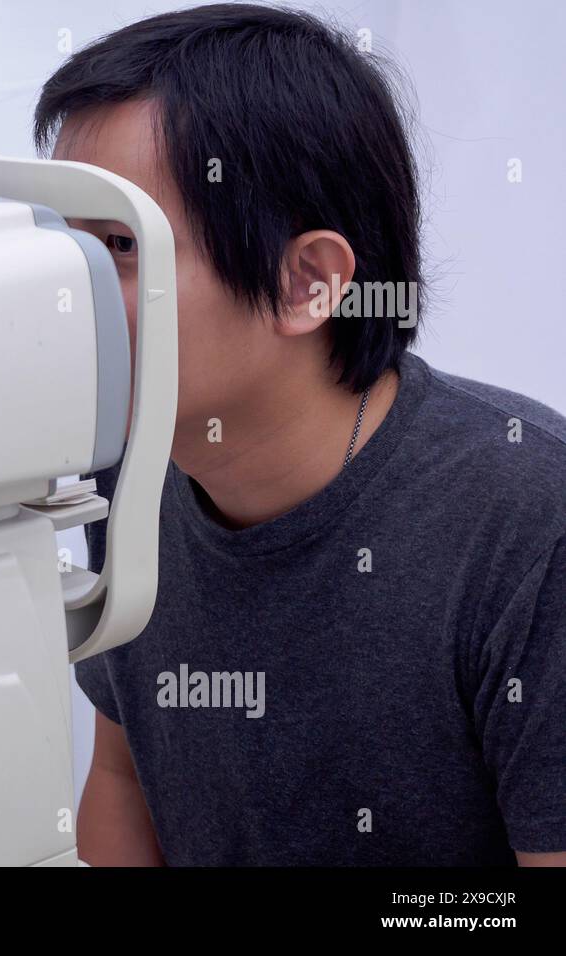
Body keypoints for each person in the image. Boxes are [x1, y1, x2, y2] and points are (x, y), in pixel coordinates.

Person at [38, 3, 566, 865]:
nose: (65, 290)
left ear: (305, 283)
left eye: (118, 247)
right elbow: (125, 786)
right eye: (62, 241)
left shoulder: (532, 525)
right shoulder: (123, 480)